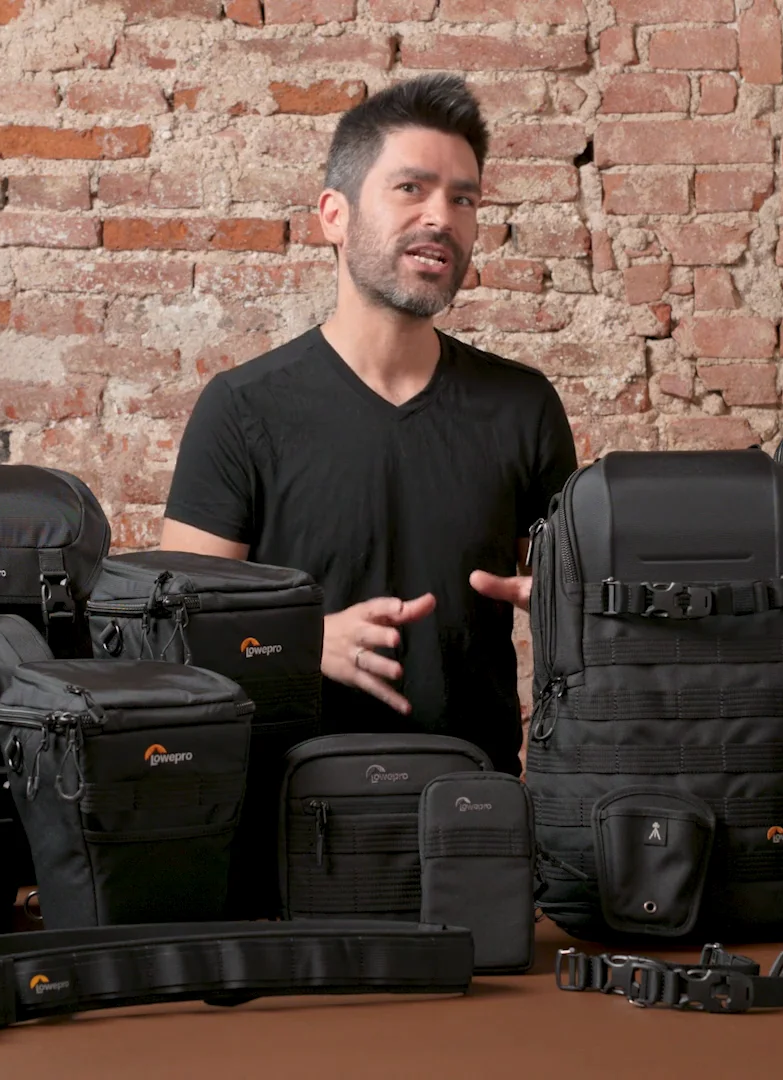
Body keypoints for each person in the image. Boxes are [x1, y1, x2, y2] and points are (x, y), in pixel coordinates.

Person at [157, 74, 578, 775]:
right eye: (411, 188)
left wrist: (571, 604)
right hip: (290, 813)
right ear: (335, 215)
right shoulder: (242, 408)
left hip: (473, 808)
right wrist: (302, 641)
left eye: (463, 198)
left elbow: (570, 600)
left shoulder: (523, 405)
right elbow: (171, 633)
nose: (442, 216)